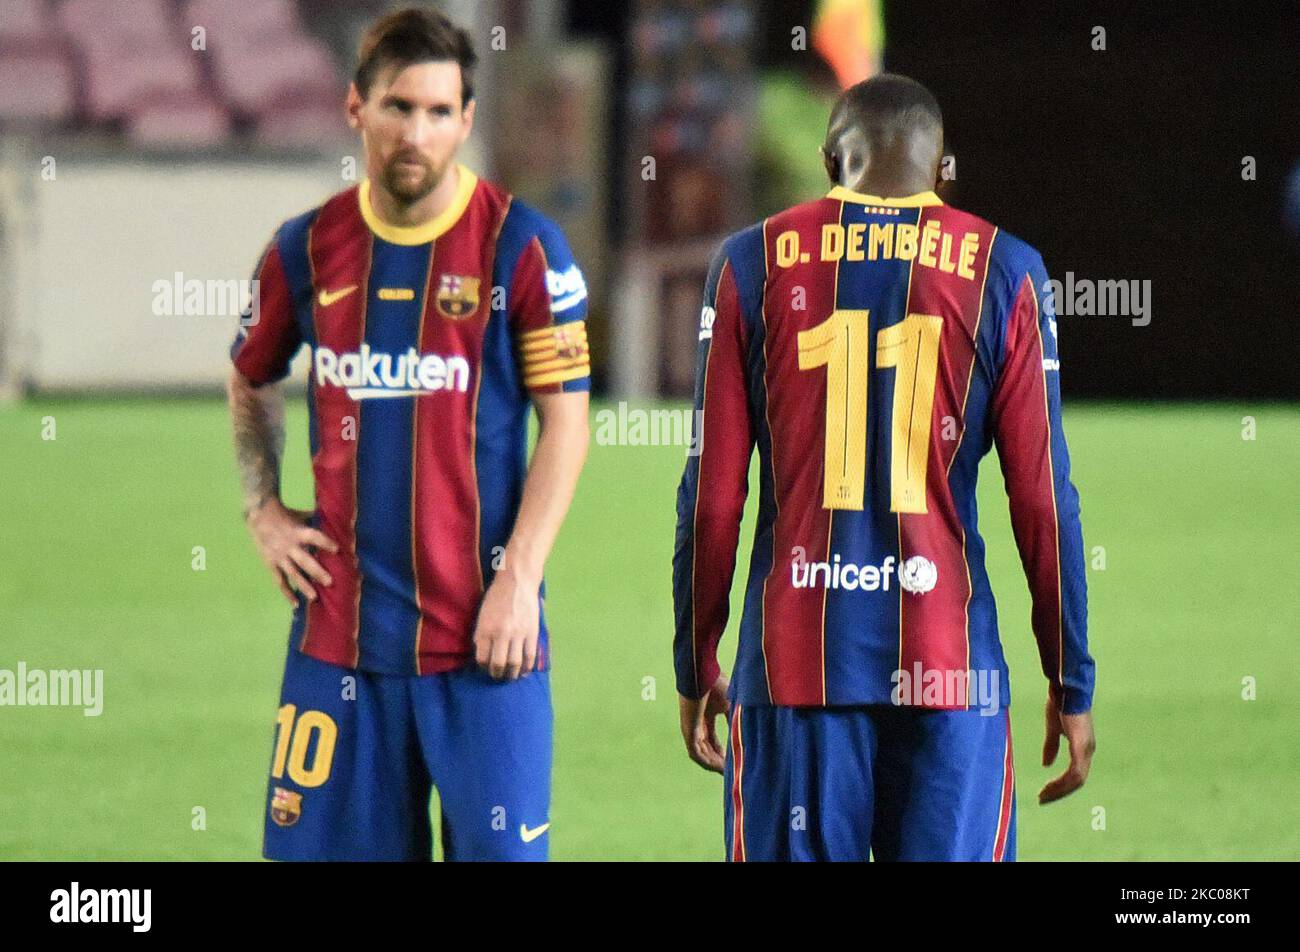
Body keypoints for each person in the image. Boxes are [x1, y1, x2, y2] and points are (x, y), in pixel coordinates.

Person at [673, 73, 1095, 861]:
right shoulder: (1006, 270)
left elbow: (713, 501)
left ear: (833, 162)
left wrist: (695, 659)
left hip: (796, 666)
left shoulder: (748, 264)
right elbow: (1042, 498)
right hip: (950, 673)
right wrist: (1069, 677)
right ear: (943, 171)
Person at [228, 7, 590, 861]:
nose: (416, 133)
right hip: (338, 642)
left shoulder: (522, 248)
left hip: (486, 643)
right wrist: (261, 507)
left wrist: (521, 579)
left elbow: (567, 422)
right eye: (398, 107)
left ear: (467, 120)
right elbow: (251, 374)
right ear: (356, 107)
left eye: (438, 112)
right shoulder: (305, 251)